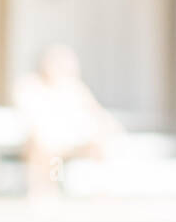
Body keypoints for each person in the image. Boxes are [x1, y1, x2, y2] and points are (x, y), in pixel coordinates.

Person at [13, 44, 123, 197]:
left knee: (101, 144)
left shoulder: (73, 87)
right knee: (47, 148)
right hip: (46, 141)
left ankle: (102, 191)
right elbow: (32, 118)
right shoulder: (31, 85)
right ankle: (46, 190)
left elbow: (96, 112)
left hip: (74, 139)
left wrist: (107, 126)